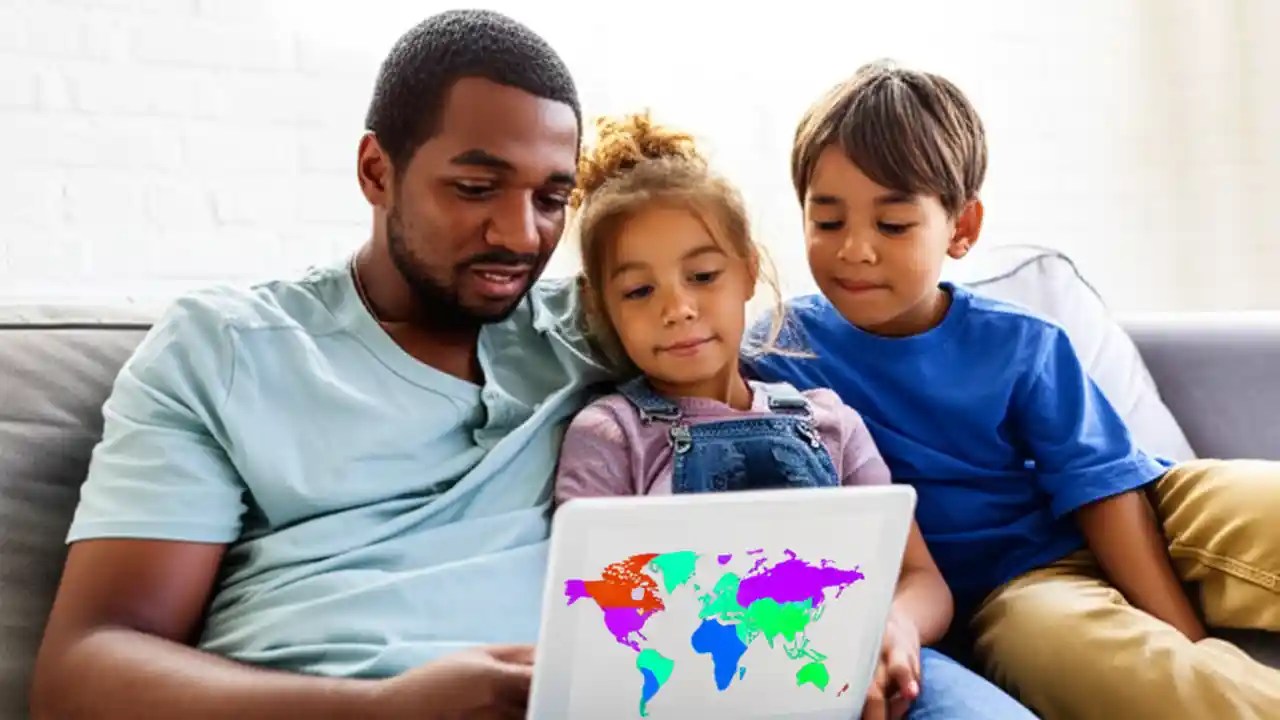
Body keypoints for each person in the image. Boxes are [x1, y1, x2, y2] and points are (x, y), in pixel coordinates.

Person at [30, 10, 609, 719]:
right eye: (475, 188)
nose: (522, 233)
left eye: (552, 198)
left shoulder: (603, 333)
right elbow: (84, 668)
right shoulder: (227, 349)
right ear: (377, 172)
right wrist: (382, 710)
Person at [747, 60, 1280, 719]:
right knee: (1116, 664)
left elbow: (1106, 486)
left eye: (892, 226)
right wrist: (1190, 654)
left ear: (962, 229)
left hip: (1148, 508)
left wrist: (1183, 627)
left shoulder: (1023, 343)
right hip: (1013, 589)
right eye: (827, 223)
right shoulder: (778, 355)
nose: (855, 249)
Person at [553, 112, 1035, 720]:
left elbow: (921, 580)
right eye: (638, 291)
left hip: (866, 663)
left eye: (703, 276)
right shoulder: (610, 434)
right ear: (602, 305)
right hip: (696, 686)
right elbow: (598, 610)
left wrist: (896, 628)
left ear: (749, 271)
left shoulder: (828, 418)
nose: (677, 308)